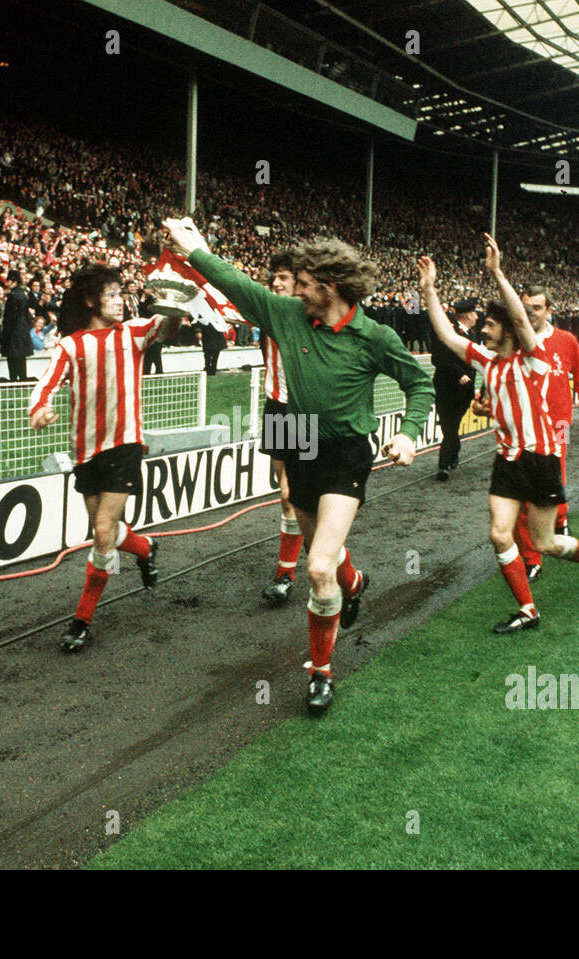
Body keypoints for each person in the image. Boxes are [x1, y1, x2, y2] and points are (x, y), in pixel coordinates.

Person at [166, 217, 433, 716]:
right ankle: (353, 583)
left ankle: (321, 673)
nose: (295, 290)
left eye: (305, 284)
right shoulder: (287, 315)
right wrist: (194, 246)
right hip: (300, 437)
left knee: (316, 567)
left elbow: (420, 385)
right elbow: (234, 283)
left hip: (347, 453)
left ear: (328, 288)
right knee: (314, 543)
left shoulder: (373, 335)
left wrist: (408, 432)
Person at [418, 239, 579, 635]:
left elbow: (524, 322)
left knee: (544, 544)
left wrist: (496, 272)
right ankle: (527, 609)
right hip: (507, 459)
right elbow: (445, 336)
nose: (482, 329)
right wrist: (429, 291)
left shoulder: (532, 356)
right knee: (498, 532)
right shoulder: (487, 360)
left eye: (489, 324)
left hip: (540, 458)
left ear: (507, 328)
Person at [28, 264, 179, 653]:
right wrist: (39, 411)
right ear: (92, 301)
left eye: (121, 294)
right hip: (85, 448)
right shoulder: (71, 345)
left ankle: (82, 619)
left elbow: (169, 327)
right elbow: (44, 385)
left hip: (125, 443)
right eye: (111, 295)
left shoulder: (133, 332)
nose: (120, 301)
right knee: (102, 528)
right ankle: (145, 549)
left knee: (102, 532)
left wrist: (179, 303)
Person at [514, 284, 579, 579]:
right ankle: (531, 558)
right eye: (526, 308)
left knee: (552, 487)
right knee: (525, 497)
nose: (531, 314)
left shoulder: (566, 340)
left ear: (549, 310)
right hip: (522, 431)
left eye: (537, 308)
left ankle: (560, 519)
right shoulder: (514, 340)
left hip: (557, 429)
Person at [257, 249, 303, 605]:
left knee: (293, 494)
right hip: (276, 407)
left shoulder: (309, 314)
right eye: (273, 277)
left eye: (283, 277)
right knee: (284, 491)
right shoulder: (266, 310)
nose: (275, 282)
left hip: (304, 410)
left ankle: (285, 575)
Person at [429, 297, 480, 482]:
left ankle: (452, 454)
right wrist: (459, 373)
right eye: (474, 313)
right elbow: (439, 359)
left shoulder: (471, 333)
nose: (477, 316)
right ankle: (444, 465)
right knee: (449, 426)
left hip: (465, 391)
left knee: (452, 425)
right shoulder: (448, 332)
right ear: (467, 315)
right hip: (447, 388)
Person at [1, 270, 34, 381]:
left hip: (13, 331)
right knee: (21, 359)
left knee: (13, 359)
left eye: (8, 280)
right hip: (23, 329)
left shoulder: (13, 296)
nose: (7, 282)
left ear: (13, 281)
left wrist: (6, 333)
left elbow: (10, 317)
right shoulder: (22, 294)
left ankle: (14, 381)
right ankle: (23, 379)